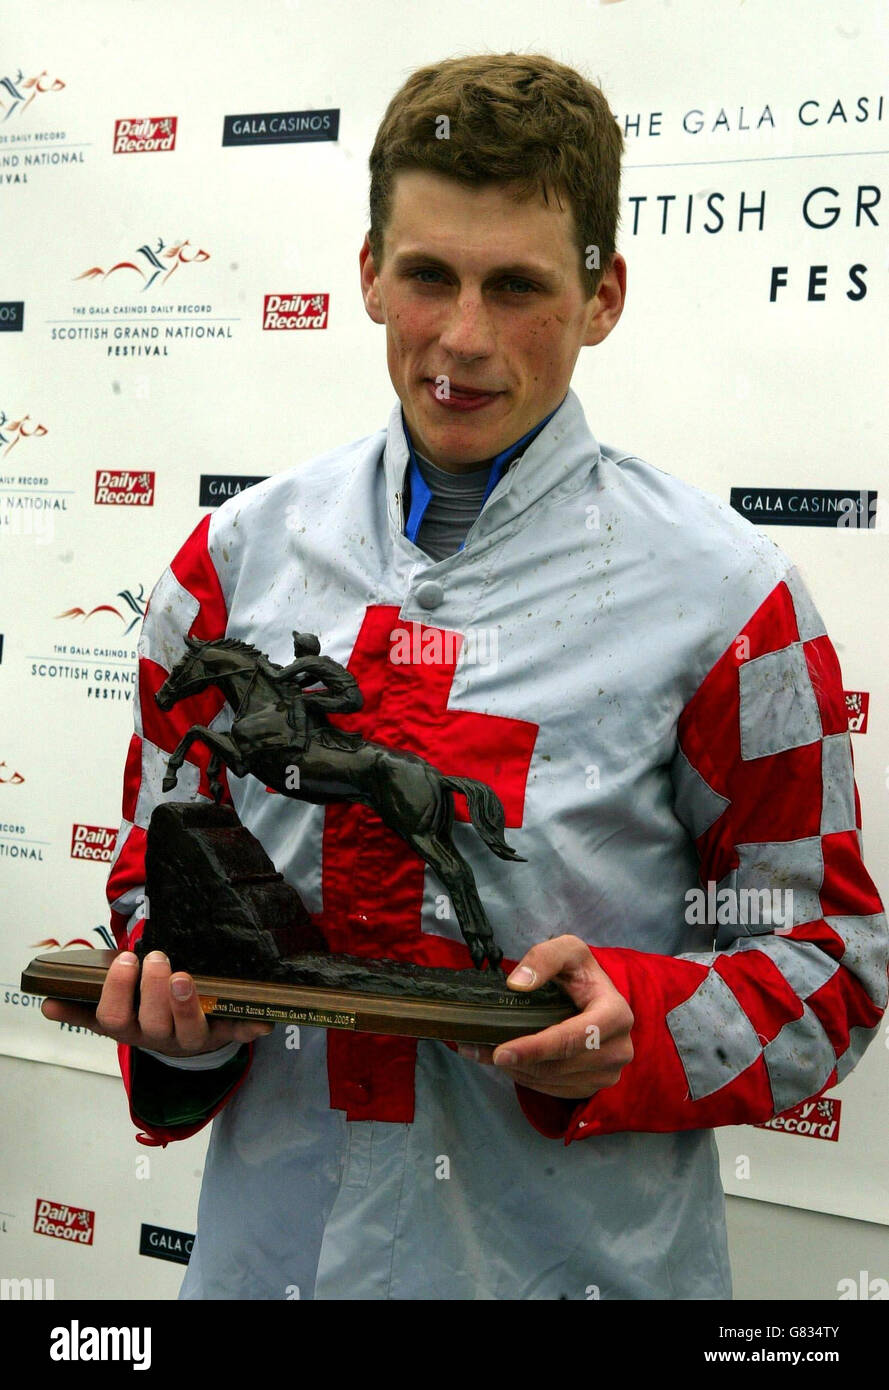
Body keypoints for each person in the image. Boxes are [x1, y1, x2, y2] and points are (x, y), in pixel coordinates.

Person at [43, 52, 888, 1300]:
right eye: (430, 275)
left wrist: (636, 1024)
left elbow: (825, 957)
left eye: (521, 286)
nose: (465, 338)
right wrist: (174, 1009)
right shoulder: (228, 566)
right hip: (268, 1266)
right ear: (370, 272)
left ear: (602, 295)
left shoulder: (729, 603)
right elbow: (149, 870)